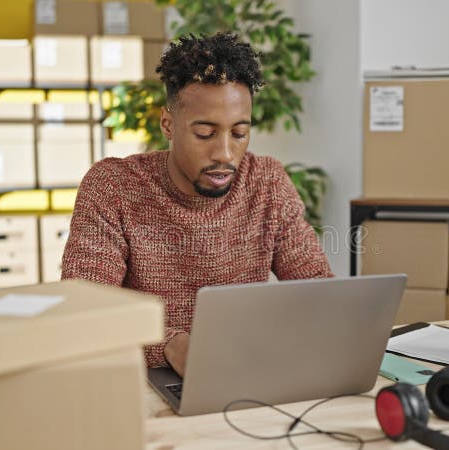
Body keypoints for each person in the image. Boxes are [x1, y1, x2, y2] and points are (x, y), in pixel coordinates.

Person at [62, 32, 332, 376]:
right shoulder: (114, 187)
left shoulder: (268, 183)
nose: (224, 153)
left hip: (244, 371)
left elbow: (318, 292)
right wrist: (169, 346)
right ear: (167, 124)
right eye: (205, 133)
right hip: (142, 382)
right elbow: (86, 311)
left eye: (239, 133)